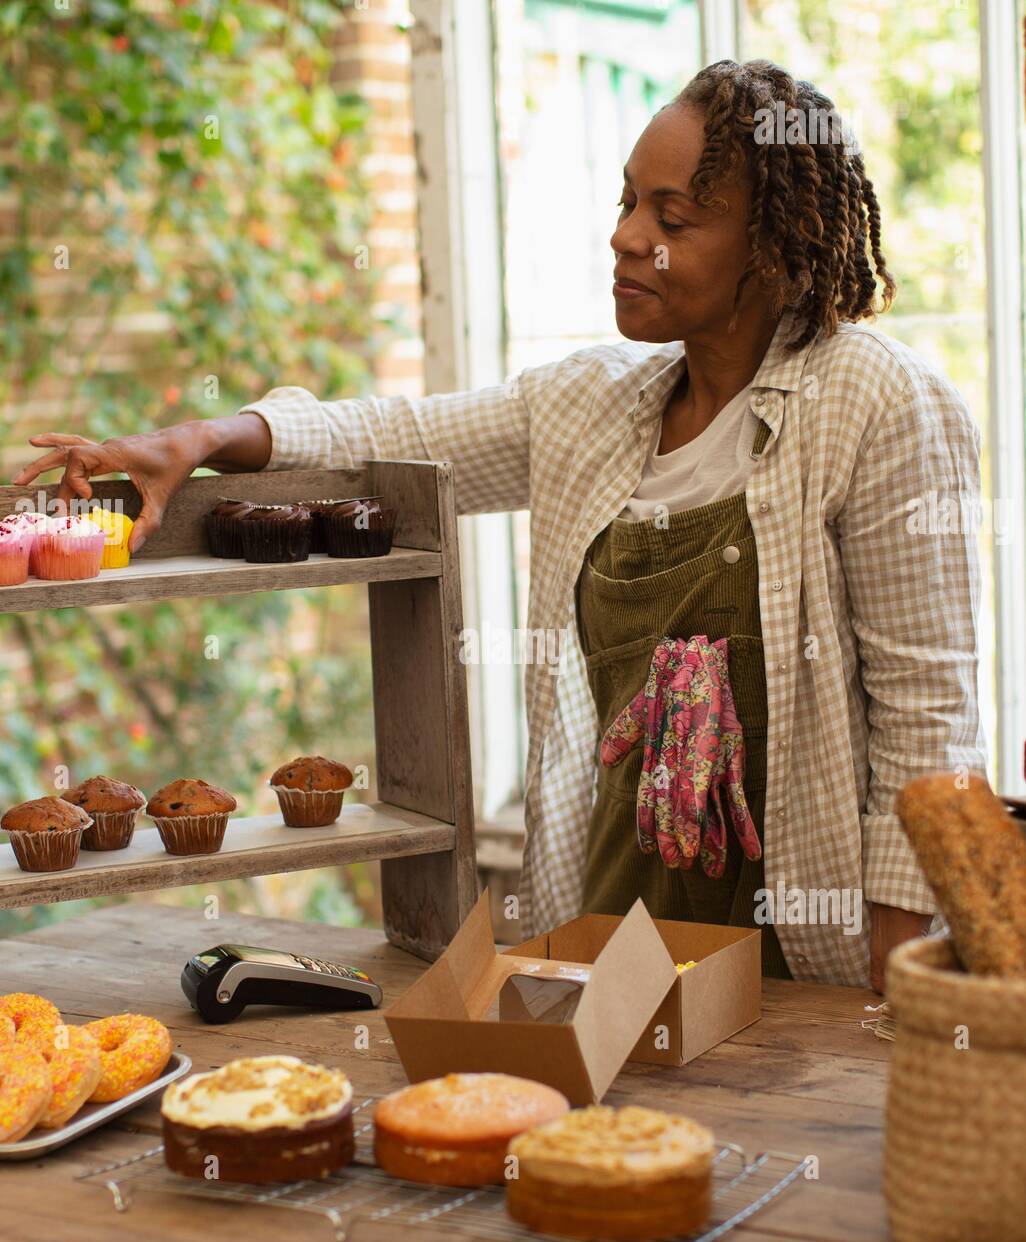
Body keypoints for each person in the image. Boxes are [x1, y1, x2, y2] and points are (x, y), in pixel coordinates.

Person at [15, 60, 986, 989]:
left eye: (672, 216)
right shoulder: (590, 405)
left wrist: (888, 986)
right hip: (612, 948)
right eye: (626, 201)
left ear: (773, 245)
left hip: (802, 966)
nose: (625, 235)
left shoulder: (878, 402)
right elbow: (391, 432)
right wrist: (200, 435)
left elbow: (927, 724)